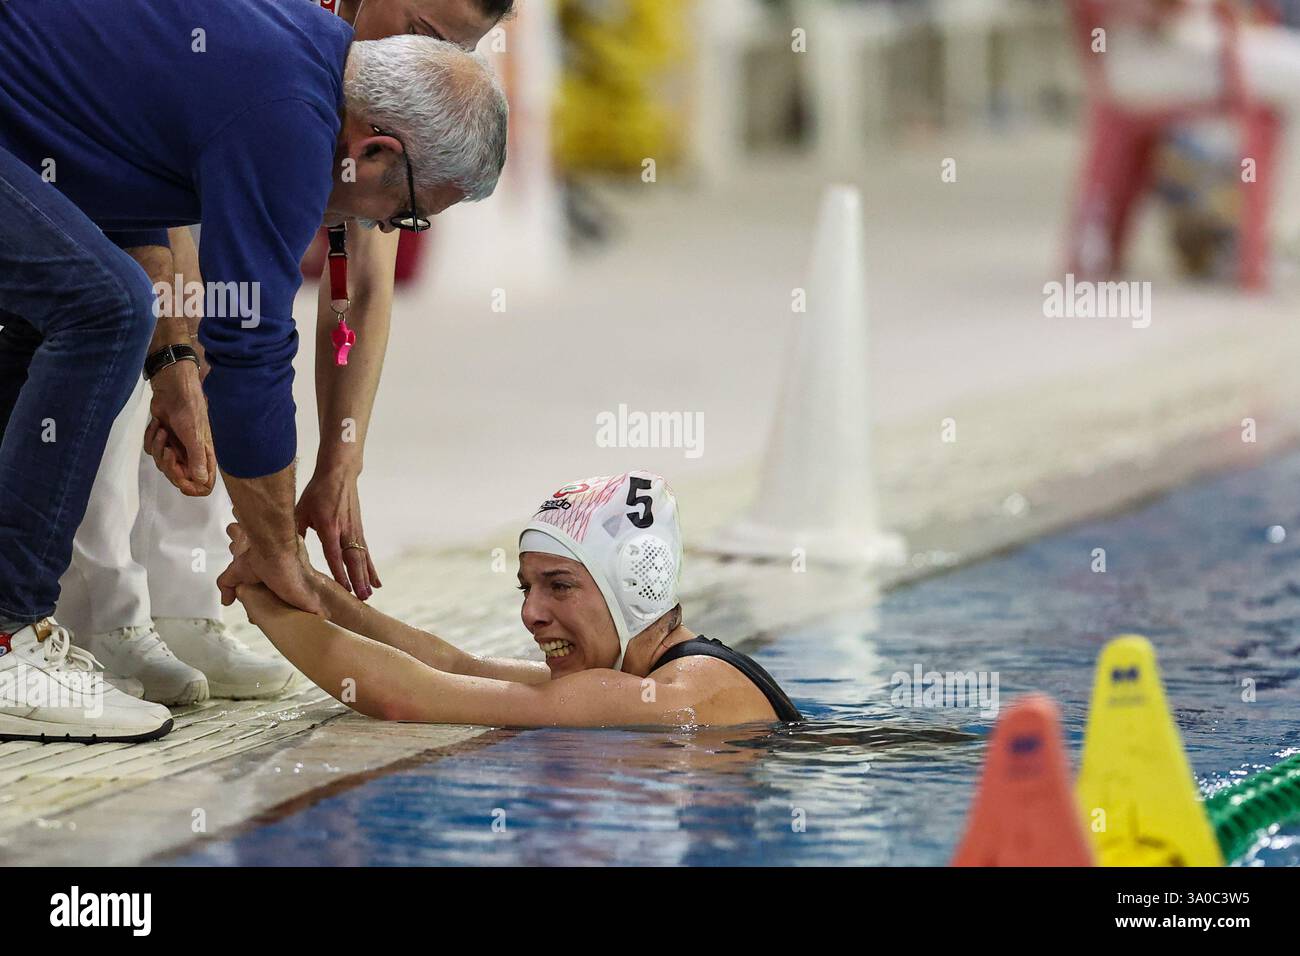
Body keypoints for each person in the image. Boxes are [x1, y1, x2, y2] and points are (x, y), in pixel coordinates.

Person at [0, 0, 508, 742]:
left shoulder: (306, 61)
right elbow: (251, 344)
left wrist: (173, 365)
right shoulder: (291, 112)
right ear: (377, 152)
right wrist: (276, 551)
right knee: (105, 311)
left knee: (76, 308)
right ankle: (9, 637)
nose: (383, 230)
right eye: (405, 214)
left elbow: (114, 168)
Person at [232, 472, 803, 727]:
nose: (531, 613)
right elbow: (458, 667)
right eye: (526, 588)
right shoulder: (646, 675)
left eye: (559, 585)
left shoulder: (676, 692)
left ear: (634, 584)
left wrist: (262, 601)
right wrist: (305, 582)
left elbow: (403, 697)